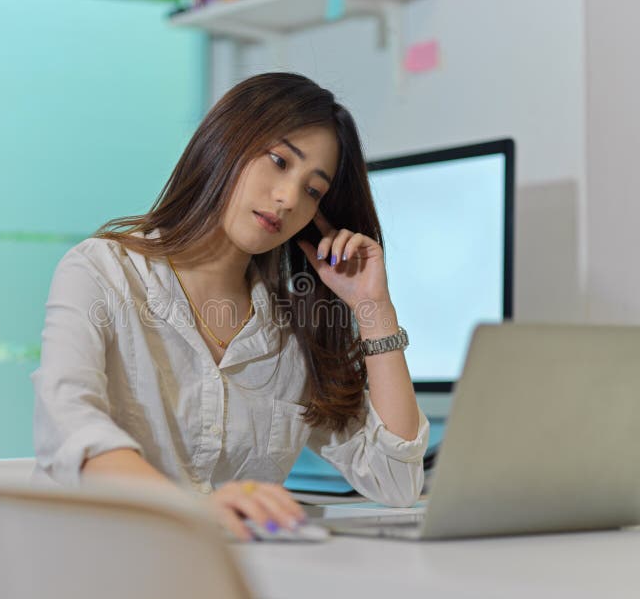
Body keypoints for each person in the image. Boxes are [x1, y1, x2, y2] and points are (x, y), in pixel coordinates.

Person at [32, 72, 430, 541]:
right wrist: (192, 509)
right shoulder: (100, 272)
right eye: (279, 161)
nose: (287, 198)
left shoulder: (291, 334)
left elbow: (396, 481)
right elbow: (71, 425)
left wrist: (372, 307)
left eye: (312, 191)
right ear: (227, 142)